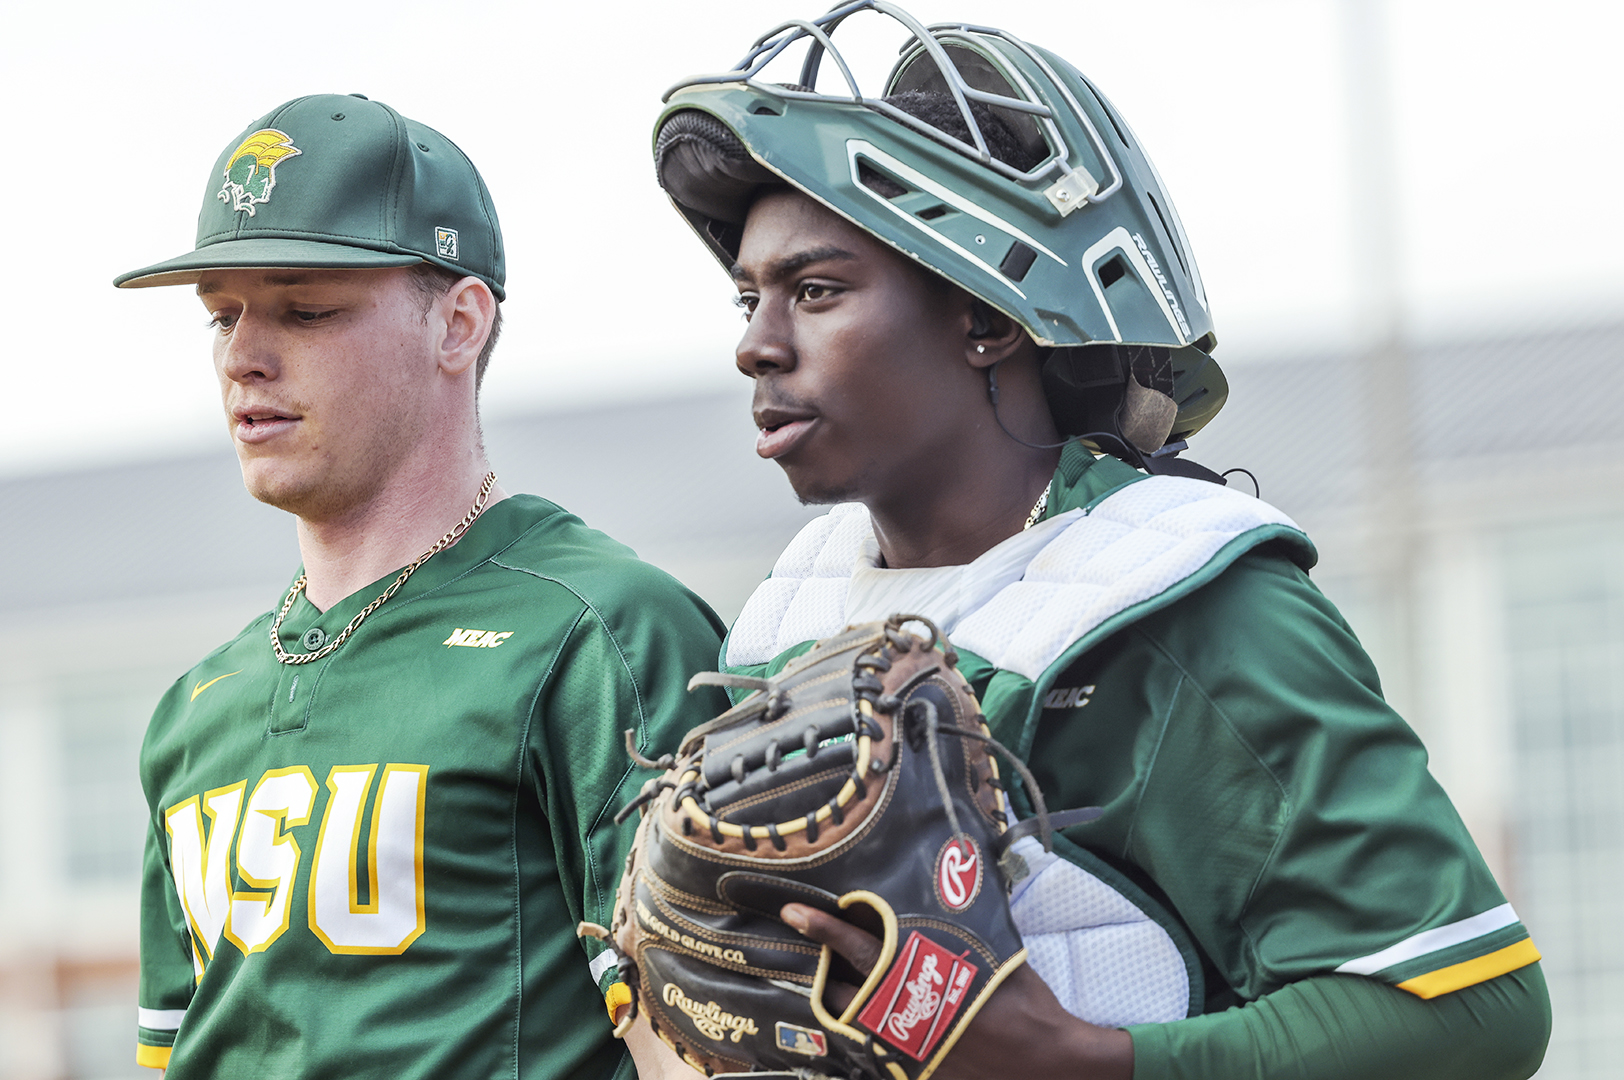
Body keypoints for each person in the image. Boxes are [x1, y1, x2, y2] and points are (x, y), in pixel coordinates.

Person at [630, 6, 1551, 1078]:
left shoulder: (1183, 601)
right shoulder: (785, 626)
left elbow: (1473, 1007)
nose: (756, 345)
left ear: (988, 319)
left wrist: (1073, 1060)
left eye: (816, 291)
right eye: (748, 298)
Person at [112, 93, 729, 1078]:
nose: (243, 357)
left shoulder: (603, 630)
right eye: (222, 315)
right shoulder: (196, 709)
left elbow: (707, 1054)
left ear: (458, 323)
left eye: (305, 309)